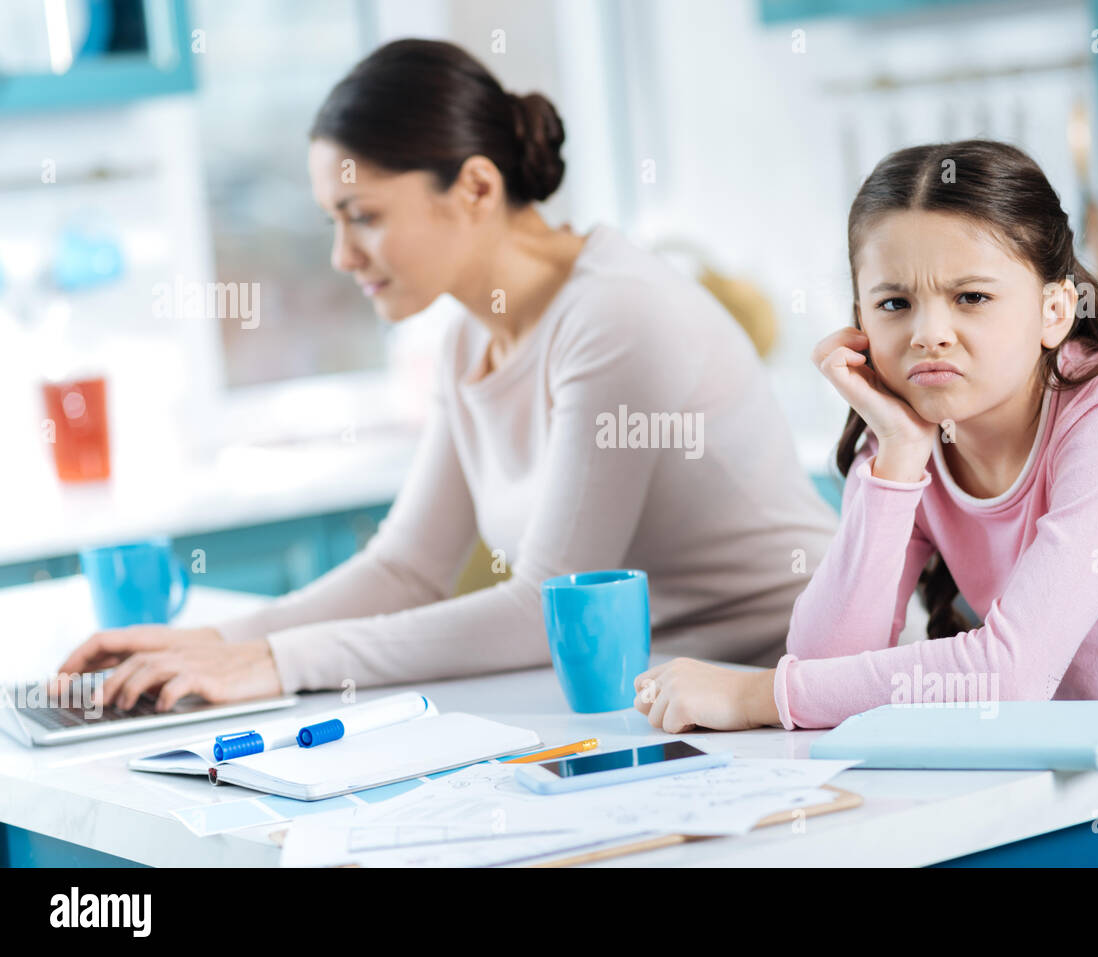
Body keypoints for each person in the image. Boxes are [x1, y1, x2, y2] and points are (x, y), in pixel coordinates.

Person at [54, 39, 837, 711]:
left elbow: (541, 609)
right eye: (332, 219)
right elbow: (407, 567)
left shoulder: (614, 316)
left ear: (475, 188)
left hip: (798, 688)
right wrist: (211, 642)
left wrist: (276, 664)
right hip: (676, 701)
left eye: (362, 215)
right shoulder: (473, 337)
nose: (341, 255)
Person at [632, 140, 1098, 866]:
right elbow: (824, 660)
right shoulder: (903, 440)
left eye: (971, 297)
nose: (928, 333)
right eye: (894, 303)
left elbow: (1009, 674)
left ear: (1054, 310)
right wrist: (895, 457)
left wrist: (757, 694)